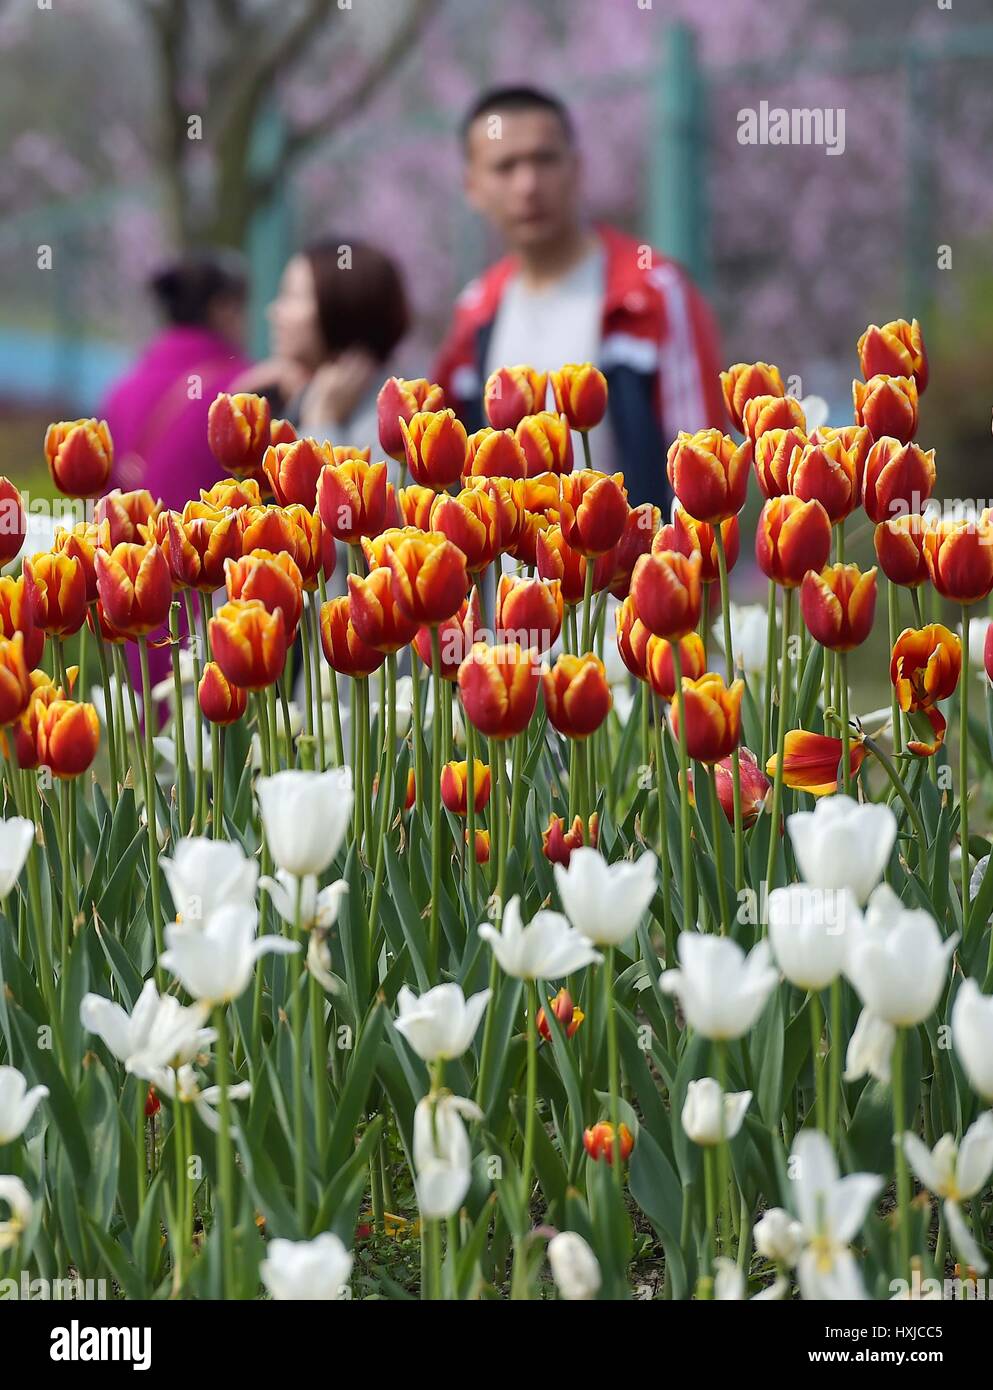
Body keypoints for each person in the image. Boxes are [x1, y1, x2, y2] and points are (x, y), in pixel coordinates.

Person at [435, 86, 725, 510]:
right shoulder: (476, 310)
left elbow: (702, 466)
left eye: (545, 160)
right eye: (505, 167)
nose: (528, 184)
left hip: (630, 571)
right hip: (505, 576)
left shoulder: (652, 292)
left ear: (577, 167)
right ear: (473, 187)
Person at [234, 237, 410, 456]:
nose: (275, 311)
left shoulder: (392, 425)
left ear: (343, 308)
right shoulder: (303, 392)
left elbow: (327, 489)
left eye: (292, 296)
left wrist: (322, 420)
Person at [101, 251, 250, 509]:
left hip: (137, 547)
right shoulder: (247, 389)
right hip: (221, 548)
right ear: (223, 309)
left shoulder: (122, 391)